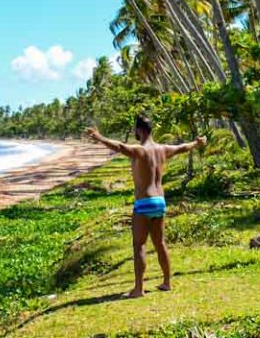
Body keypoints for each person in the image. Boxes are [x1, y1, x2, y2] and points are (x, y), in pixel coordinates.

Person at [86, 115, 206, 298]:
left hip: (144, 203)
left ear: (139, 130)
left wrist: (99, 137)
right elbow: (183, 147)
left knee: (139, 245)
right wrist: (197, 143)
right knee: (160, 243)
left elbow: (119, 146)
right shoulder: (163, 149)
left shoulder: (139, 151)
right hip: (160, 201)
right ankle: (166, 282)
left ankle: (138, 289)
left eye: (135, 129)